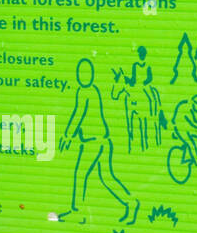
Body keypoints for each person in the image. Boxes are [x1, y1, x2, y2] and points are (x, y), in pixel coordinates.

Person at [59, 59, 139, 224]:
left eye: (86, 73)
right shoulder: (92, 90)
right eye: (81, 73)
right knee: (107, 178)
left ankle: (78, 212)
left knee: (80, 175)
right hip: (103, 141)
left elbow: (78, 115)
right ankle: (131, 203)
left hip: (93, 142)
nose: (83, 77)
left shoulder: (85, 92)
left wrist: (67, 135)